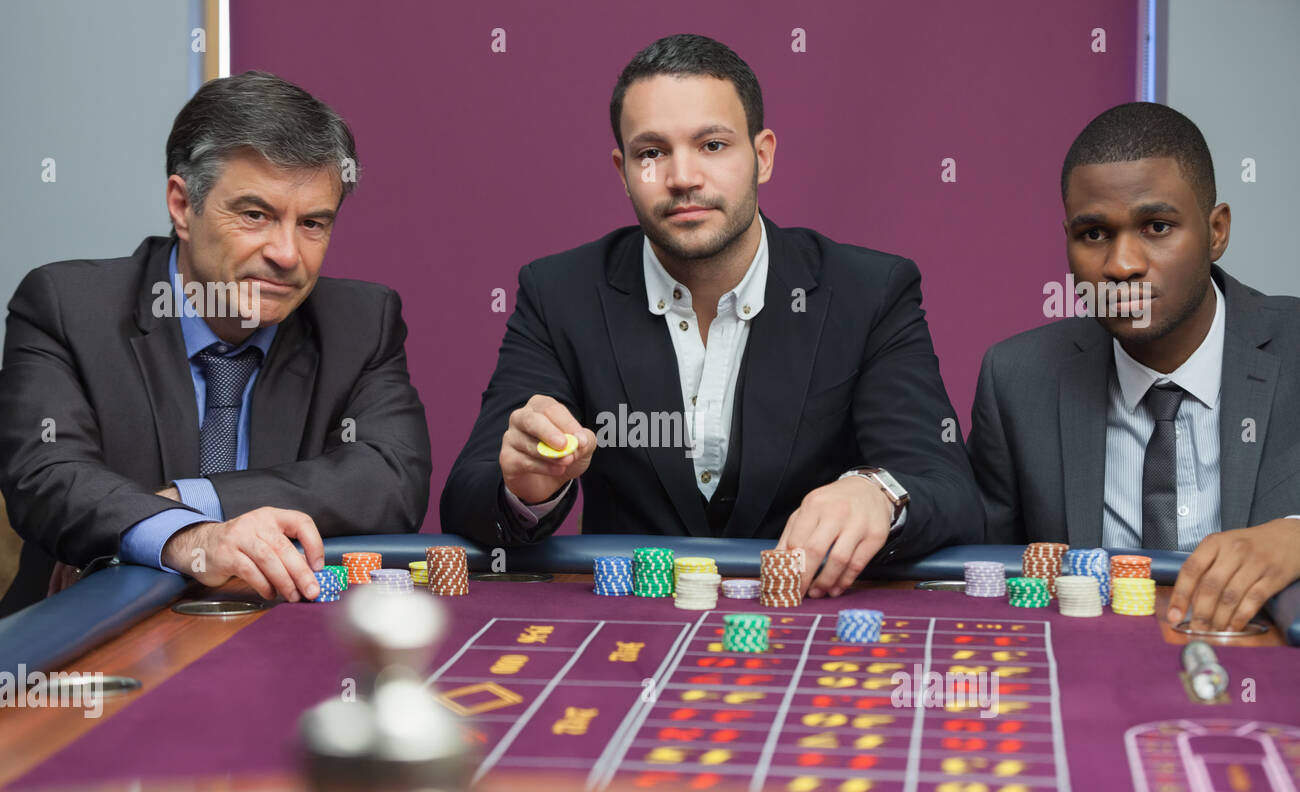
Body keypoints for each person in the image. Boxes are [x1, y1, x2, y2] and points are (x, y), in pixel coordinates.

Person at [442, 34, 981, 599]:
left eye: (713, 145)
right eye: (652, 153)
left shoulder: (868, 291)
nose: (683, 177)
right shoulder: (559, 294)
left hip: (811, 630)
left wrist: (878, 493)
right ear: (622, 170)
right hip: (630, 642)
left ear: (763, 155)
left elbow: (947, 487)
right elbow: (468, 495)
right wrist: (526, 491)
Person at [0, 71, 432, 615]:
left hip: (277, 636)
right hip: (82, 638)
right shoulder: (67, 306)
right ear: (182, 205)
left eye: (313, 224)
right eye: (256, 215)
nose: (287, 254)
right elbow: (48, 476)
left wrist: (186, 500)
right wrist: (189, 537)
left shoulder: (362, 321)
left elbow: (390, 480)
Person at [968, 102, 1300, 633]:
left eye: (1157, 226)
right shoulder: (1018, 378)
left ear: (1217, 231)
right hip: (1090, 681)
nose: (1122, 266)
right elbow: (981, 574)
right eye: (1094, 234)